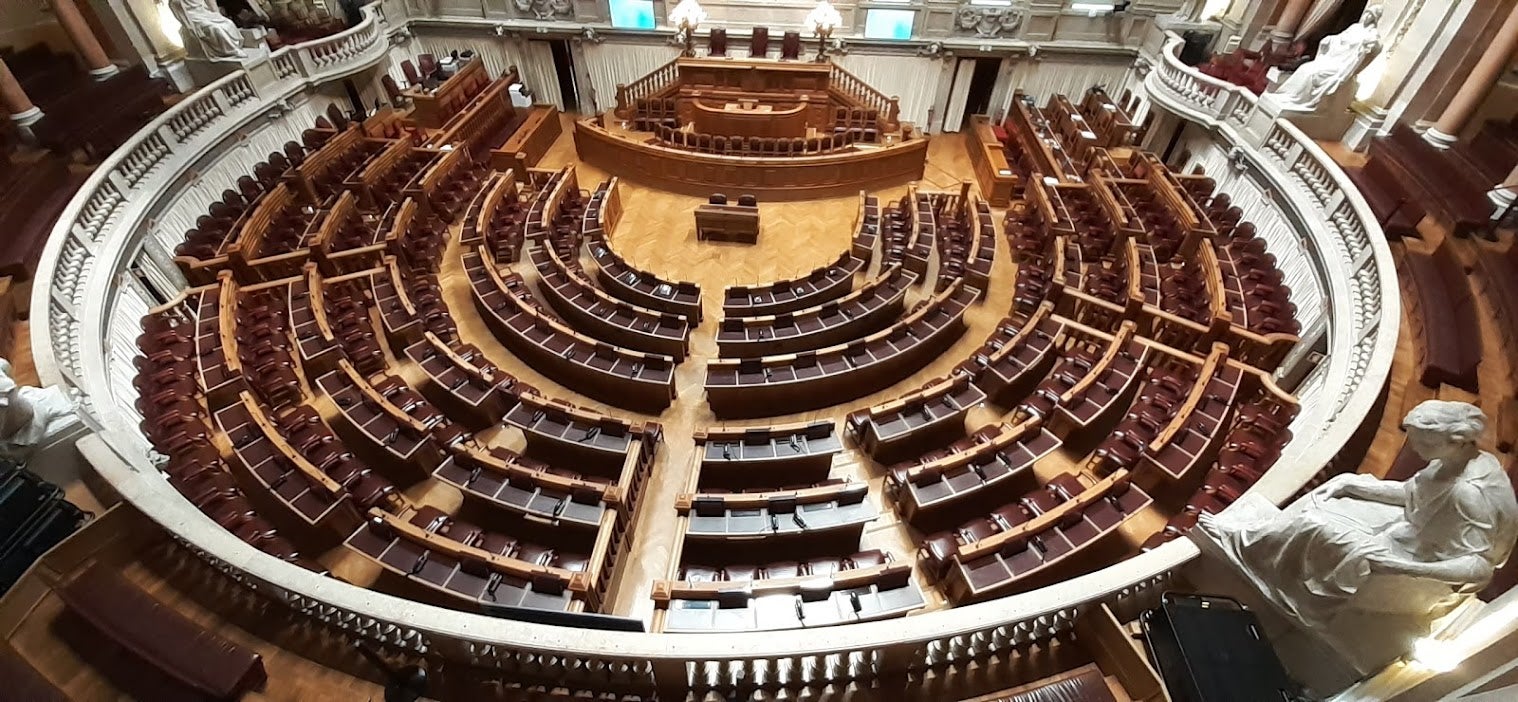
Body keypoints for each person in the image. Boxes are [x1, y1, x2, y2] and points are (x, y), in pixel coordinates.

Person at [1199, 400, 1518, 629]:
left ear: (1454, 441)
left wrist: (1399, 565)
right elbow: (1411, 494)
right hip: (1407, 534)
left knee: (1315, 526)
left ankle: (1241, 541)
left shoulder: (1468, 494)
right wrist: (1351, 484)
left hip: (1415, 561)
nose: (1415, 448)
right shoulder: (1464, 460)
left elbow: (1478, 568)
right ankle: (1261, 542)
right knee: (1338, 497)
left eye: (1422, 442)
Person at [1268, 6, 1382, 110]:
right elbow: (1340, 37)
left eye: (1370, 15)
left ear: (1374, 18)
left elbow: (1373, 48)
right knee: (1306, 68)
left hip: (1342, 64)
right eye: (1367, 13)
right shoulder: (1355, 27)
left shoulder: (1371, 35)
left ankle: (1296, 99)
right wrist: (1331, 39)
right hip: (1332, 58)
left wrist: (1368, 45)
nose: (1366, 17)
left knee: (1313, 73)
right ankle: (1288, 95)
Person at [170, 0, 247, 60]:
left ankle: (235, 46)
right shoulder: (175, 2)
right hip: (194, 18)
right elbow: (182, 17)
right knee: (216, 28)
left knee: (228, 23)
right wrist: (190, 27)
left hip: (204, 13)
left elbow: (205, 5)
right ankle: (231, 51)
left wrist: (215, 13)